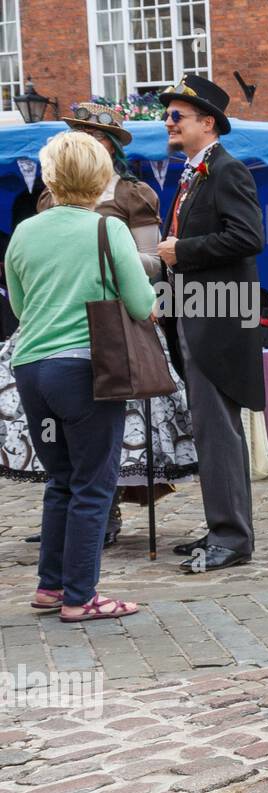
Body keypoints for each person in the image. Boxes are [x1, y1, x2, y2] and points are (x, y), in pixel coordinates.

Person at [0, 103, 198, 543]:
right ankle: (74, 521)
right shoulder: (48, 199)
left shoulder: (132, 194)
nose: (82, 140)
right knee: (66, 448)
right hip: (58, 331)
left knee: (110, 439)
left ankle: (102, 517)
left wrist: (110, 259)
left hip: (114, 330)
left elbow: (151, 265)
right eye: (75, 133)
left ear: (108, 146)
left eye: (90, 134)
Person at [4, 131, 156, 620]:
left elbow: (22, 305)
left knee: (61, 480)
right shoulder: (106, 229)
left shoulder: (25, 231)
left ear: (49, 176)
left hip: (31, 367)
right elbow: (140, 303)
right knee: (94, 483)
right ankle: (80, 596)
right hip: (87, 367)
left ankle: (50, 587)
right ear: (99, 177)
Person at [157, 75, 265, 573]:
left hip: (219, 317)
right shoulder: (193, 173)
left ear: (207, 122)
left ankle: (231, 536)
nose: (168, 122)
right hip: (197, 309)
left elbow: (248, 237)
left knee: (217, 428)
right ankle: (224, 524)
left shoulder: (227, 170)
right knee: (210, 429)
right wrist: (166, 296)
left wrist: (182, 252)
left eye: (176, 115)